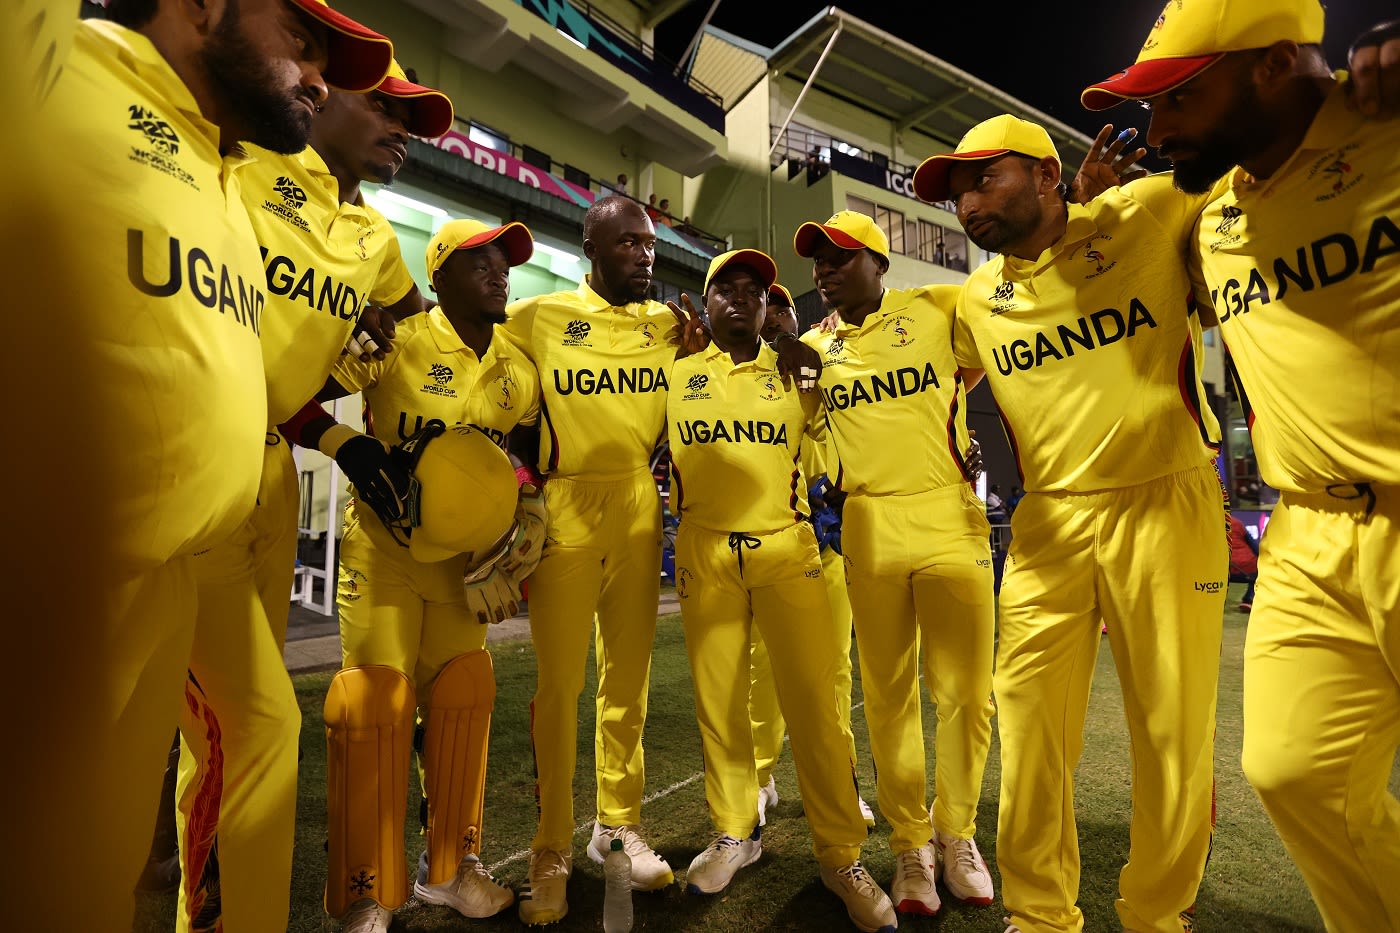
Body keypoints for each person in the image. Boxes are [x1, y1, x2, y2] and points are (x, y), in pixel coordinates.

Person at [18, 1, 389, 928]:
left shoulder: (218, 162)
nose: (315, 76)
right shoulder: (63, 72)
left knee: (249, 739)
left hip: (186, 560)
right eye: (297, 42)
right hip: (66, 573)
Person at [1081, 4, 1400, 927]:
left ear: (1271, 65)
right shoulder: (1208, 217)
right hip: (1307, 532)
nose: (1159, 129)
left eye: (1181, 97)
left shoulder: (1386, 123)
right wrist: (1100, 219)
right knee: (1295, 770)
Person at [914, 112, 1229, 933]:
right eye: (956, 194)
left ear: (1050, 176)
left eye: (984, 179)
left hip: (1165, 498)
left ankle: (1157, 914)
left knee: (1170, 734)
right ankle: (1041, 913)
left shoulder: (1151, 212)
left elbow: (1257, 185)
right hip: (1048, 522)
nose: (967, 203)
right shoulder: (976, 299)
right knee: (1027, 730)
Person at [173, 58, 445, 932]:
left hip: (272, 476)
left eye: (415, 119)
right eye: (387, 107)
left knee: (225, 734)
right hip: (185, 463)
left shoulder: (376, 241)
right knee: (243, 728)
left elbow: (390, 328)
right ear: (321, 97)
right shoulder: (243, 165)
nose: (403, 129)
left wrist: (341, 386)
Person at [309, 218, 542, 933]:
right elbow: (298, 393)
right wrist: (346, 444)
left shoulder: (516, 369)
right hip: (384, 556)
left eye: (506, 265)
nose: (500, 274)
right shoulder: (399, 342)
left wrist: (522, 500)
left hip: (465, 571)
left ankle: (452, 866)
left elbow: (528, 442)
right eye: (482, 264)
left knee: (464, 702)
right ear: (436, 276)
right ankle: (367, 888)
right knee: (374, 706)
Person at [665, 250, 897, 931]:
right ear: (703, 306)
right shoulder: (673, 376)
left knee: (816, 707)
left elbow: (835, 456)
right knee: (719, 704)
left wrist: (813, 383)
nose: (740, 300)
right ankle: (736, 831)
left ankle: (839, 854)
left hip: (784, 547)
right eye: (724, 290)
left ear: (769, 307)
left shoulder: (799, 373)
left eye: (753, 291)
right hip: (703, 552)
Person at [794, 210, 997, 918]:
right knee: (887, 696)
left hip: (948, 514)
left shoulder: (937, 309)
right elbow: (800, 429)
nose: (823, 268)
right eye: (817, 260)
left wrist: (965, 449)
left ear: (880, 263)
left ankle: (958, 832)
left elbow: (988, 358)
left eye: (840, 256)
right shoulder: (812, 349)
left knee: (967, 691)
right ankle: (911, 843)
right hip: (868, 525)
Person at [497, 196, 682, 925]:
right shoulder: (539, 317)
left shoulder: (669, 326)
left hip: (640, 502)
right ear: (591, 247)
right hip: (567, 506)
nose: (645, 254)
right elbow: (473, 349)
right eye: (629, 242)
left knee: (626, 680)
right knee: (559, 685)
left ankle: (618, 822)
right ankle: (549, 847)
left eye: (649, 243)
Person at [748, 282, 874, 832]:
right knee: (763, 668)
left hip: (829, 543)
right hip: (771, 543)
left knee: (836, 669)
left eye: (785, 307)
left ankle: (841, 778)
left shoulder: (822, 373)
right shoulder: (745, 378)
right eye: (766, 306)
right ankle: (757, 778)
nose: (775, 315)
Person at [1227, 513, 1259, 611]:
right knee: (1261, 572)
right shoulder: (1237, 523)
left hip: (1223, 568)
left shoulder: (1212, 523)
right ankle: (1248, 600)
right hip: (1247, 568)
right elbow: (1254, 547)